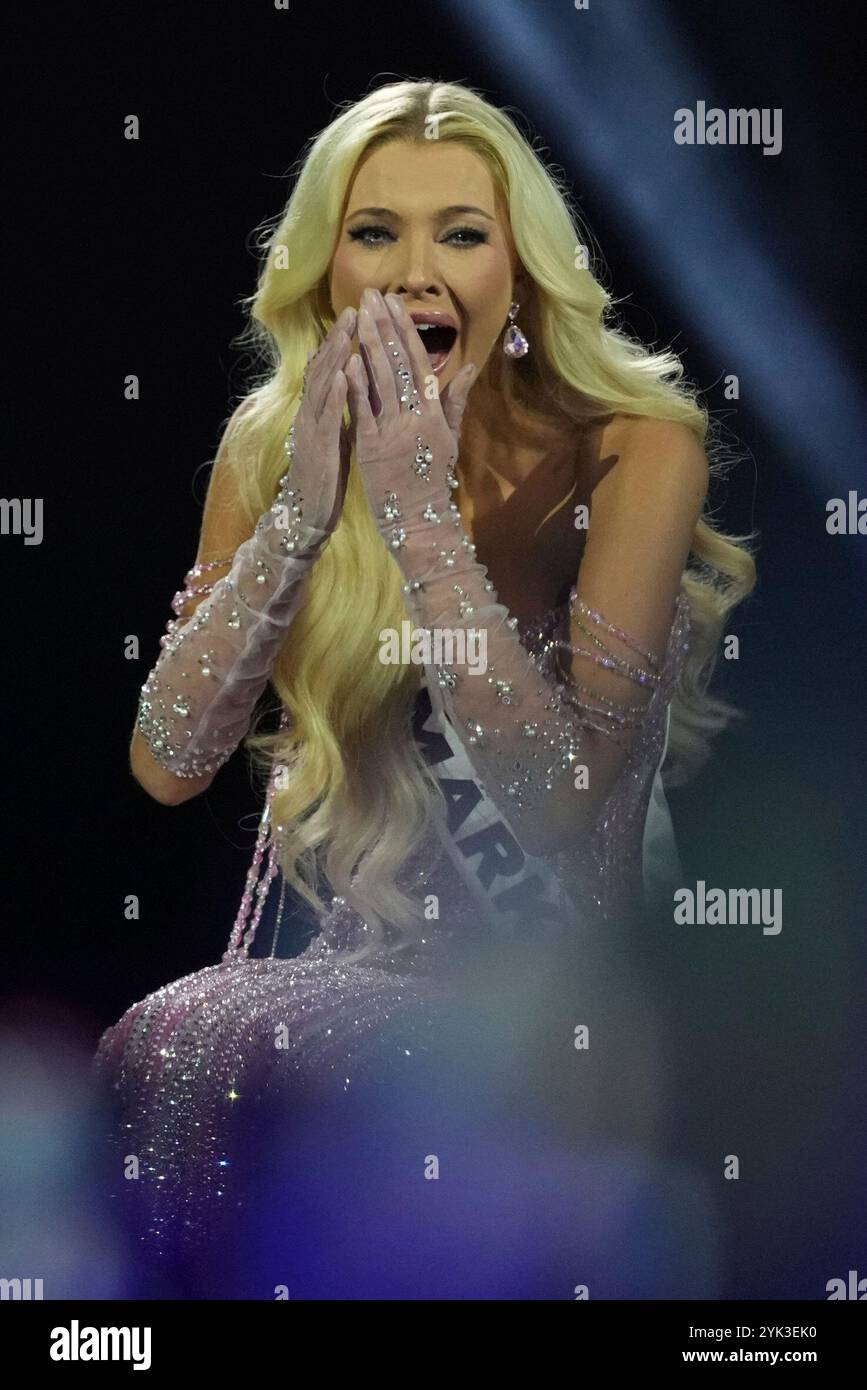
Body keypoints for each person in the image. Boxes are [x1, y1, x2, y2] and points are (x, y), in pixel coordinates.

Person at [94, 79, 754, 1295]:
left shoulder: (631, 446)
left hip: (568, 969)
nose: (416, 271)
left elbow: (562, 800)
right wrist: (302, 513)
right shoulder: (268, 443)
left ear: (521, 267)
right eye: (374, 231)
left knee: (358, 1075)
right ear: (326, 267)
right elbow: (168, 764)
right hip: (353, 961)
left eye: (461, 231)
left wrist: (415, 515)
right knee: (164, 1040)